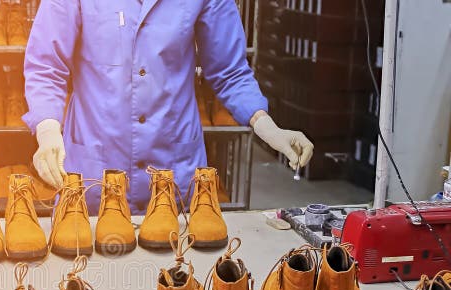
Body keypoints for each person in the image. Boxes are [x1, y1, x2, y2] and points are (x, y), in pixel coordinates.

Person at [23, 0, 314, 213]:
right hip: (95, 169)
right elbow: (46, 65)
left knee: (176, 270)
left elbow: (229, 70)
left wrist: (267, 126)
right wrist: (47, 129)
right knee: (88, 271)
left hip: (173, 168)